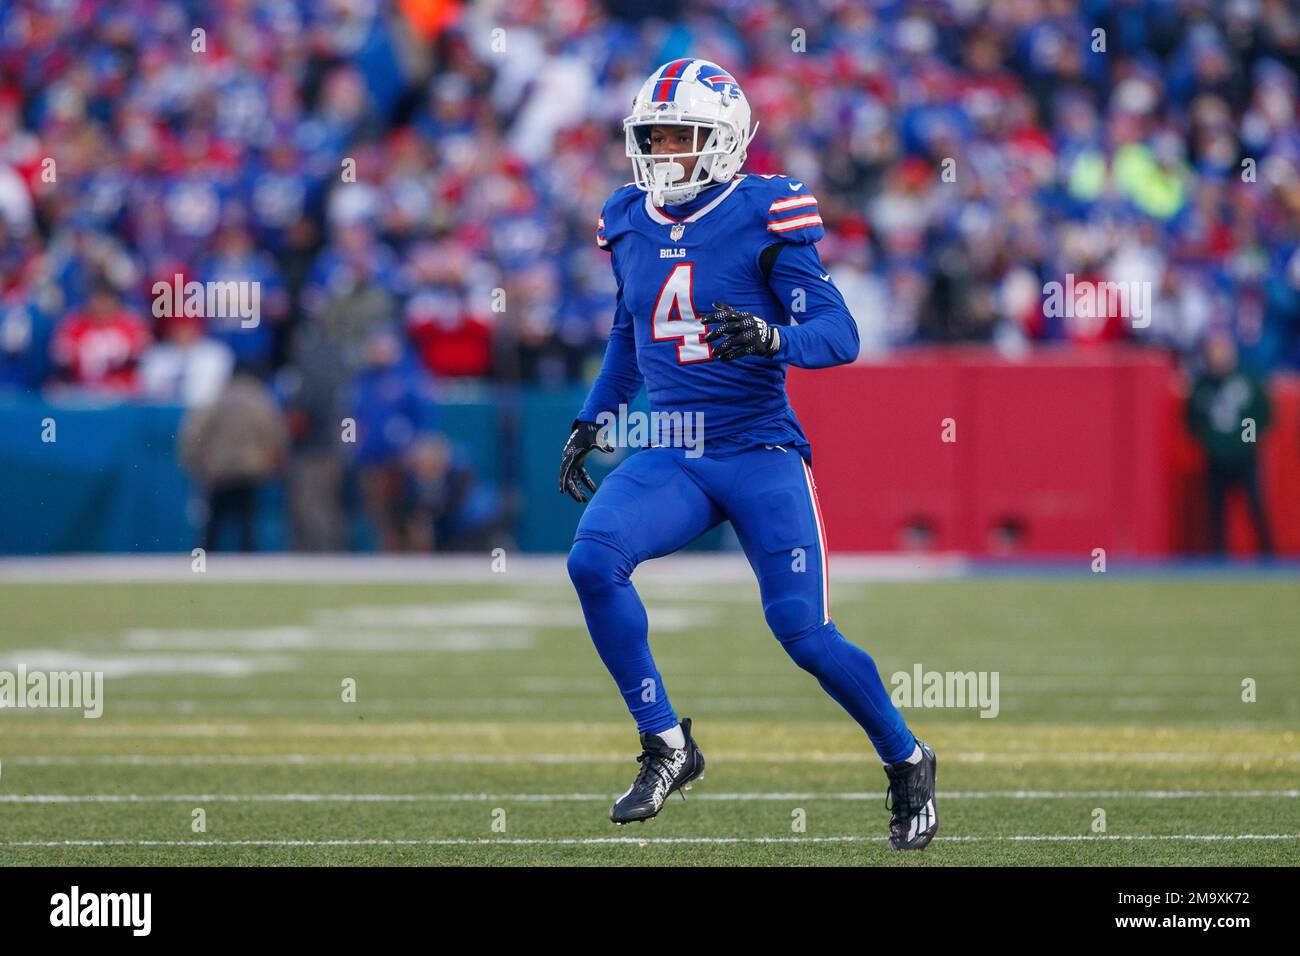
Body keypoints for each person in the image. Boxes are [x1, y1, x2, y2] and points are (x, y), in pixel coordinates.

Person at [559, 60, 937, 850]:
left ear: (725, 143)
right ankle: (666, 742)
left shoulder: (765, 210)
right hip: (675, 449)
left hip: (759, 447)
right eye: (651, 135)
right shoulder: (628, 217)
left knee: (803, 633)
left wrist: (773, 336)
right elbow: (630, 333)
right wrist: (593, 421)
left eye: (679, 136)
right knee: (593, 560)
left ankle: (905, 758)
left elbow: (841, 336)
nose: (661, 151)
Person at [1185, 330, 1274, 556]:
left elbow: (1264, 413)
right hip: (1216, 460)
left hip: (1246, 459)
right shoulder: (1203, 385)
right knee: (1216, 513)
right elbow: (1192, 419)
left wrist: (1246, 440)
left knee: (1256, 507)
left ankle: (1270, 558)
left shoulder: (1247, 379)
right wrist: (1212, 443)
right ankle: (1218, 562)